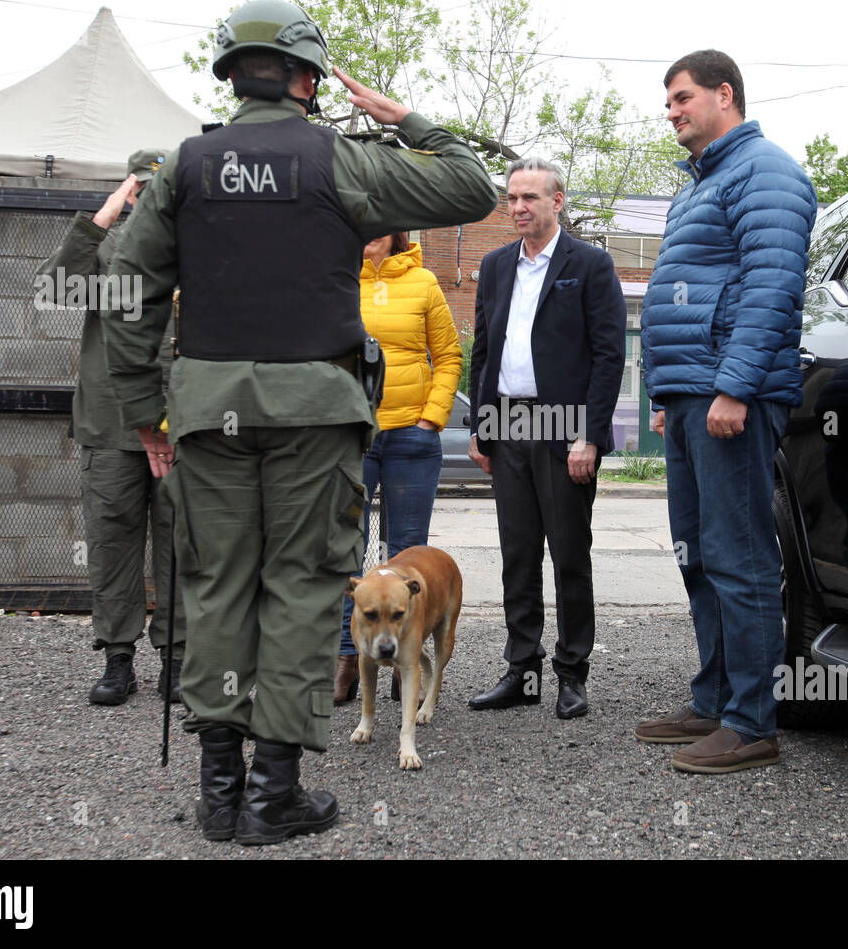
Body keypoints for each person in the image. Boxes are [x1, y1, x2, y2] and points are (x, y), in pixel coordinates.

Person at [99, 0, 496, 846]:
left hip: (209, 419)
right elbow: (471, 186)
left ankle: (219, 793)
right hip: (315, 418)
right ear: (309, 79)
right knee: (301, 592)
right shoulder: (341, 159)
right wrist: (406, 118)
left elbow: (124, 285)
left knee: (214, 589)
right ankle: (273, 795)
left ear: (231, 76)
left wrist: (143, 409)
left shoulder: (185, 167)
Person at [635, 51, 816, 772]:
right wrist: (663, 393)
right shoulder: (698, 187)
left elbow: (773, 287)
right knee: (700, 554)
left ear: (723, 94)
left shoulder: (766, 171)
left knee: (741, 559)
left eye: (681, 99)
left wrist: (735, 387)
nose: (672, 111)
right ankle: (712, 700)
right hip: (692, 395)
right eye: (668, 103)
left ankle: (752, 722)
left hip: (729, 395)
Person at [466, 156, 626, 720]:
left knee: (569, 552)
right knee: (517, 552)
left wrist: (589, 435)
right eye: (512, 198)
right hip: (507, 422)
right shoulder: (493, 266)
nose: (518, 208)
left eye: (530, 197)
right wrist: (482, 427)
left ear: (557, 201)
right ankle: (522, 670)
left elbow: (610, 356)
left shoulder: (590, 264)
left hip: (563, 424)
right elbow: (482, 350)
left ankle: (572, 672)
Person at [35, 149, 186, 707]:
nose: (151, 200)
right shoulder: (108, 253)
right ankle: (118, 657)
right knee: (112, 543)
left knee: (183, 546)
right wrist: (102, 215)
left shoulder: (197, 252)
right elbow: (53, 290)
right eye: (140, 190)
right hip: (111, 422)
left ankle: (177, 656)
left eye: (159, 189)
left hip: (182, 425)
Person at [334, 232, 462, 704]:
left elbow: (448, 356)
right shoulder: (338, 280)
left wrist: (432, 418)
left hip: (412, 432)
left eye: (377, 227)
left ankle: (403, 660)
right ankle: (350, 657)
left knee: (407, 552)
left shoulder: (425, 282)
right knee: (347, 544)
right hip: (352, 434)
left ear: (395, 235)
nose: (366, 235)